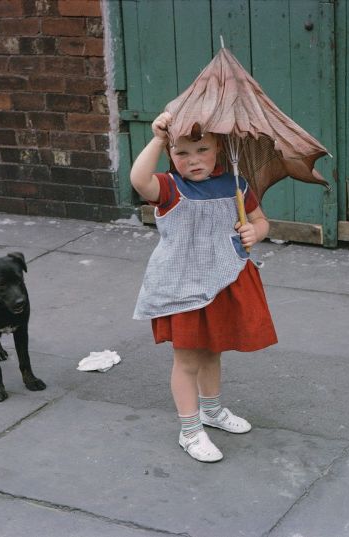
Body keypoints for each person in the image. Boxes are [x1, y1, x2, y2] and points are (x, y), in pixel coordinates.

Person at [130, 111, 277, 463]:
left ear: (219, 149)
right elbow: (139, 180)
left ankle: (211, 410)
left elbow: (261, 221)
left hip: (224, 280)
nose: (193, 160)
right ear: (170, 154)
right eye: (182, 153)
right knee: (187, 359)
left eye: (202, 150)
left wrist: (255, 231)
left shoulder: (236, 185)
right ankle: (190, 430)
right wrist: (158, 138)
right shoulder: (169, 187)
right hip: (184, 285)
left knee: (213, 351)